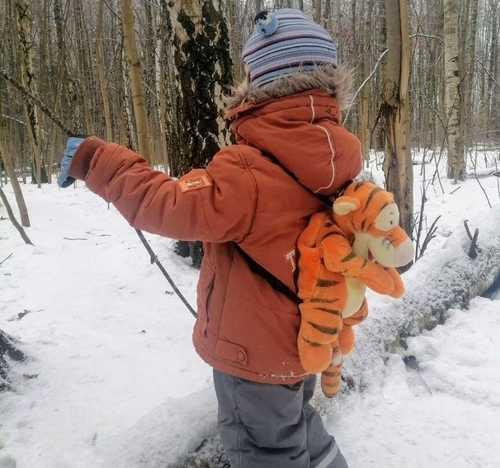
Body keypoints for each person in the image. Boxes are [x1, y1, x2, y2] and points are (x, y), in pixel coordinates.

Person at [58, 9, 362, 468]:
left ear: (258, 85)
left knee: (264, 452)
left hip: (252, 356)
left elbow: (169, 205)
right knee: (294, 424)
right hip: (308, 341)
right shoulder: (340, 158)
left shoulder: (247, 171)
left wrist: (97, 159)